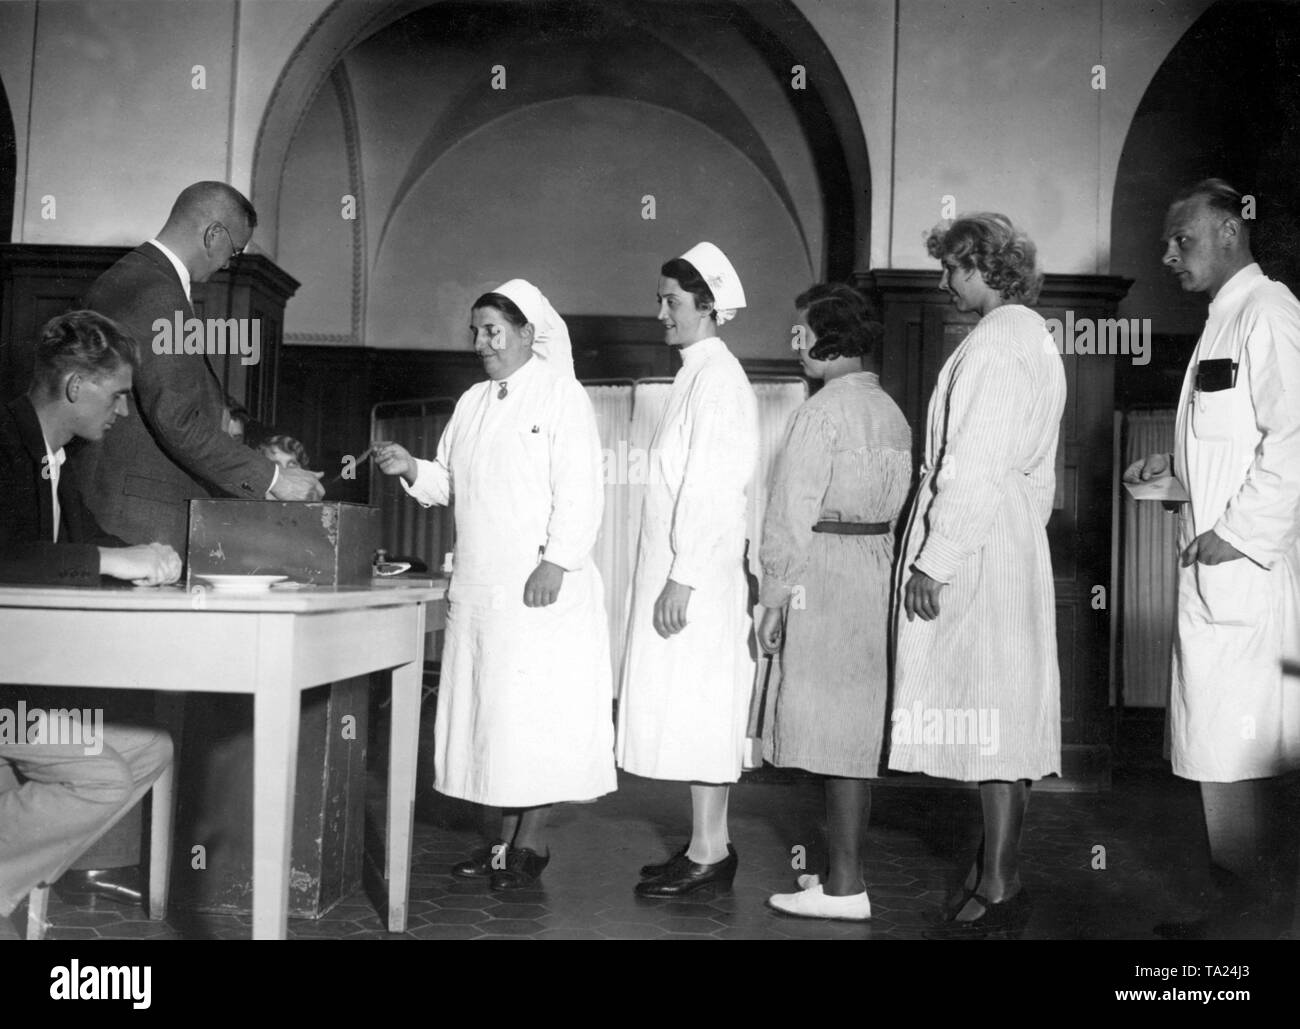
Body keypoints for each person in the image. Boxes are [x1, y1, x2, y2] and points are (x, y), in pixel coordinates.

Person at [373, 279, 613, 891]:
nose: (481, 342)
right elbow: (453, 481)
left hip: (539, 586)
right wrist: (412, 468)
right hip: (480, 587)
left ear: (529, 333)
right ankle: (499, 843)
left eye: (493, 331)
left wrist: (556, 562)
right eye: (476, 331)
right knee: (490, 721)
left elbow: (581, 489)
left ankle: (528, 843)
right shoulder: (473, 400)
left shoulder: (562, 397)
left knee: (534, 719)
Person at [1126, 179, 1300, 939]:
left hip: (1248, 582)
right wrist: (1166, 475)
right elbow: (1231, 450)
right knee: (1214, 749)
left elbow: (1296, 439)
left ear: (1231, 231)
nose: (1168, 255)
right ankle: (1237, 911)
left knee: (1241, 752)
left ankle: (1258, 920)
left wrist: (1239, 533)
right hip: (1213, 577)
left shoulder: (1270, 312)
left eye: (1182, 239)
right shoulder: (1219, 325)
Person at [889, 214, 1065, 938]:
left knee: (992, 714)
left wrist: (936, 558)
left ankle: (999, 881)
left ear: (988, 269)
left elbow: (975, 461)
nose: (945, 283)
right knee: (1006, 713)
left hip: (980, 544)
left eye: (954, 270)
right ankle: (995, 866)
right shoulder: (1034, 338)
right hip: (1010, 538)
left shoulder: (996, 346)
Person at [0, 311, 177, 917]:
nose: (124, 410)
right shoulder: (2, 444)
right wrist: (113, 559)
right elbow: (9, 558)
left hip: (19, 688)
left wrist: (140, 558)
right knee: (100, 778)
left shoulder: (56, 458)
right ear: (76, 387)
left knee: (151, 748)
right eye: (118, 394)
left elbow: (81, 543)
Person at [757, 284, 911, 920]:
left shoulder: (819, 412)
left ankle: (847, 887)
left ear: (831, 336)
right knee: (853, 729)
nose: (795, 346)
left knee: (832, 734)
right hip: (876, 568)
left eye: (802, 334)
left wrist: (772, 597)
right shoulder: (892, 411)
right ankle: (840, 875)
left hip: (823, 572)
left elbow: (791, 513)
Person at [69, 181, 324, 556]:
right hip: (138, 521)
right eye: (233, 251)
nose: (227, 264)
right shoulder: (158, 293)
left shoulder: (135, 277)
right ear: (213, 234)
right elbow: (176, 418)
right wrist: (274, 478)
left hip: (114, 506)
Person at [617, 242, 760, 898]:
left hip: (697, 575)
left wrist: (686, 575)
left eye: (671, 301)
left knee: (705, 708)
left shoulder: (720, 379)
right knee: (692, 708)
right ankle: (707, 843)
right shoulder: (694, 375)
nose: (660, 313)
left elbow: (713, 486)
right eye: (659, 300)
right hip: (686, 568)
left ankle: (711, 850)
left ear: (707, 305)